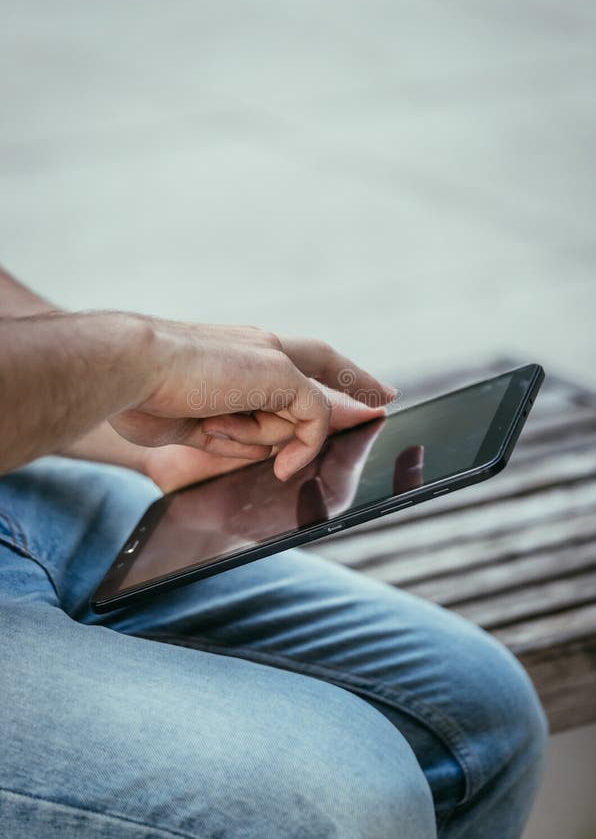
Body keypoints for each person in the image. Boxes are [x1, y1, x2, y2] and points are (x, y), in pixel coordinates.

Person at [0, 267, 547, 838]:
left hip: (25, 476)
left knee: (479, 704)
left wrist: (127, 420)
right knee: (342, 791)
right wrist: (136, 356)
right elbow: (128, 357)